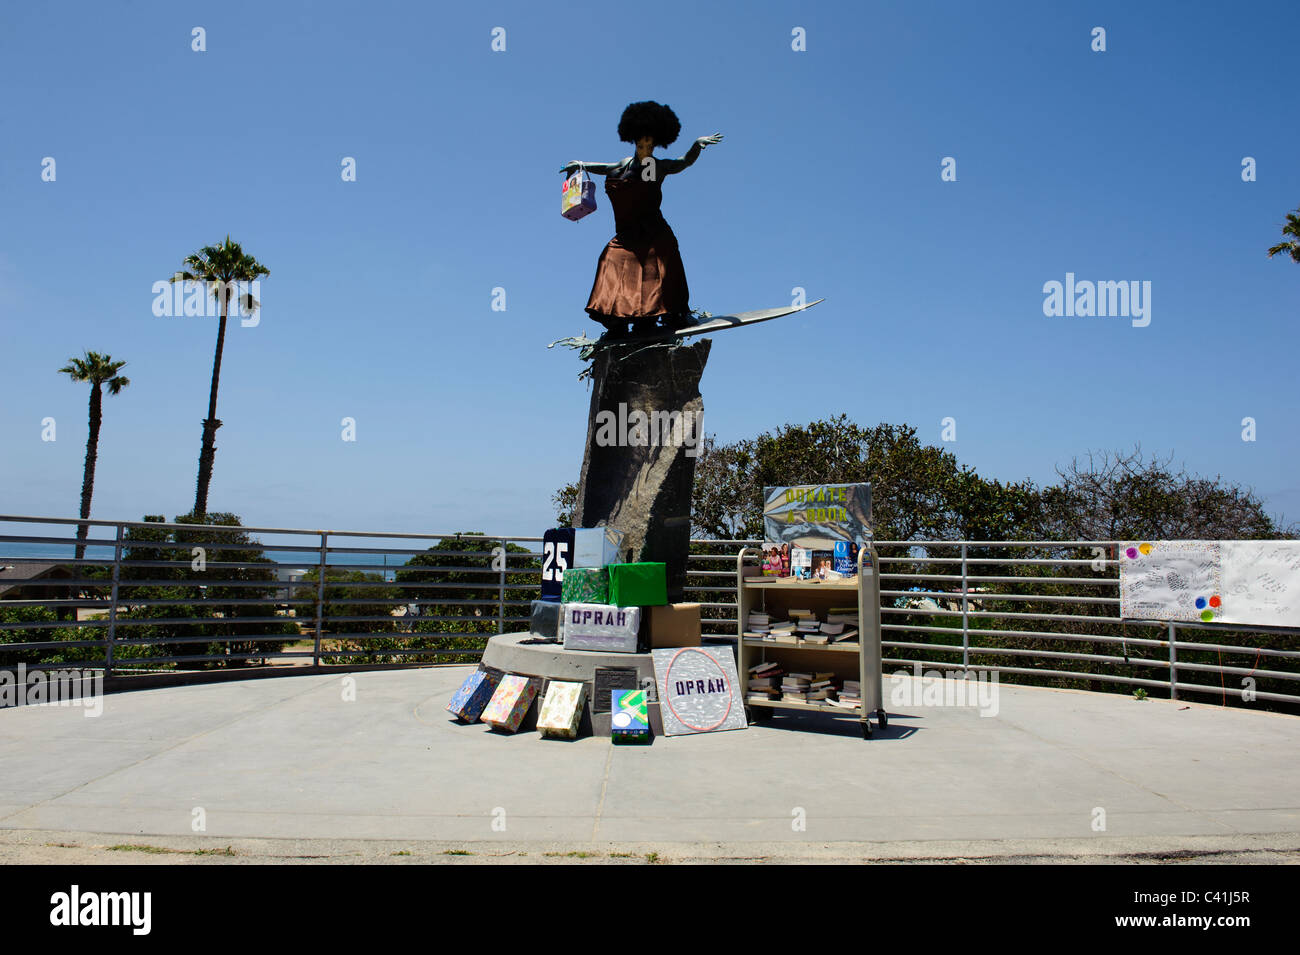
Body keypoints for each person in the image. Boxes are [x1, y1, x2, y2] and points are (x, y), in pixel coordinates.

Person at [560, 101, 723, 338]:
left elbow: (684, 162)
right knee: (609, 259)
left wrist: (696, 145)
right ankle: (618, 323)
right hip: (627, 235)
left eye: (650, 145)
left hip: (655, 234)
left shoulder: (657, 166)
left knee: (661, 274)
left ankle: (672, 314)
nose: (645, 149)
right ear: (634, 142)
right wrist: (581, 165)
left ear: (656, 145)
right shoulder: (622, 165)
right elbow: (603, 167)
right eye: (641, 144)